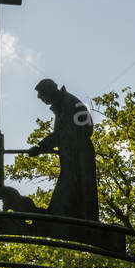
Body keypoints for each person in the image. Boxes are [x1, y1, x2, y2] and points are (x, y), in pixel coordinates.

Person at [28, 78, 98, 220]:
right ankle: (65, 214)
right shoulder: (64, 103)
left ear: (50, 90)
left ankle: (68, 216)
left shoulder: (67, 103)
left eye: (42, 95)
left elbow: (62, 134)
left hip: (79, 154)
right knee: (71, 184)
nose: (41, 99)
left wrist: (40, 147)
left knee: (75, 185)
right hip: (74, 153)